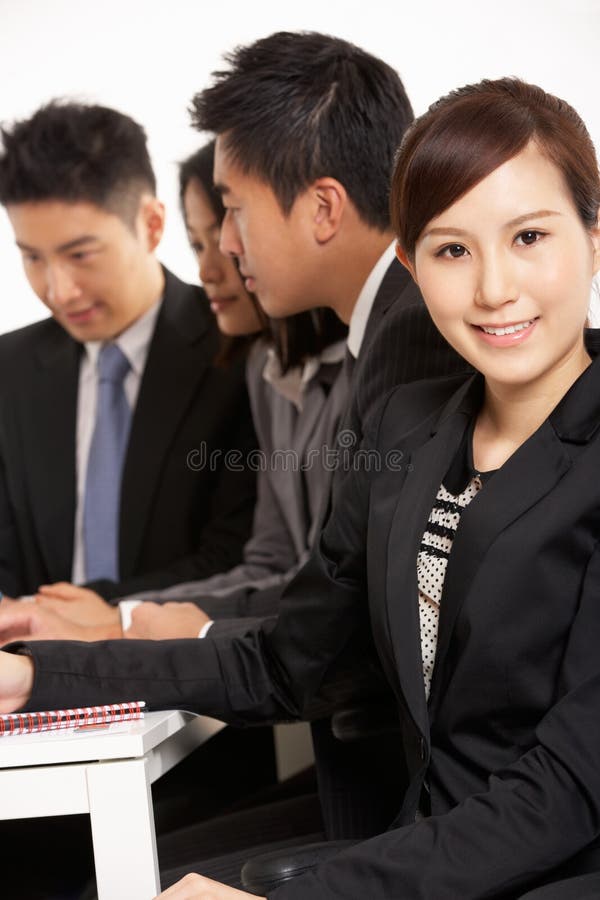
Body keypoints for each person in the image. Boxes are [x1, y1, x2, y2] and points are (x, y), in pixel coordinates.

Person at [2, 76, 600, 900]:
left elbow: (568, 793)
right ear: (411, 264)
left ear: (593, 236)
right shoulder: (410, 427)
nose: (494, 287)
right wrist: (39, 675)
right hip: (428, 859)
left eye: (530, 237)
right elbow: (289, 662)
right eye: (452, 249)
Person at [0, 100, 257, 602]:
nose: (59, 290)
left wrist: (79, 625)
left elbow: (235, 557)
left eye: (80, 255)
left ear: (152, 225)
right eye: (32, 258)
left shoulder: (239, 354)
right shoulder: (8, 369)